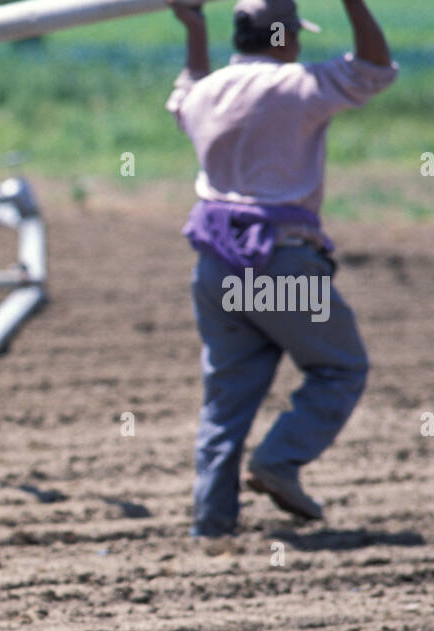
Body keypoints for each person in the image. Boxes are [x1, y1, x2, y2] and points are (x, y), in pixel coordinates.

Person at [165, 0, 396, 538]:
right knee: (340, 368)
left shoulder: (207, 93)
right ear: (282, 36)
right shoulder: (298, 87)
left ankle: (212, 521)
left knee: (226, 398)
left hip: (216, 266)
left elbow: (184, 93)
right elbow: (376, 69)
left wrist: (193, 28)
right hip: (281, 262)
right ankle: (279, 459)